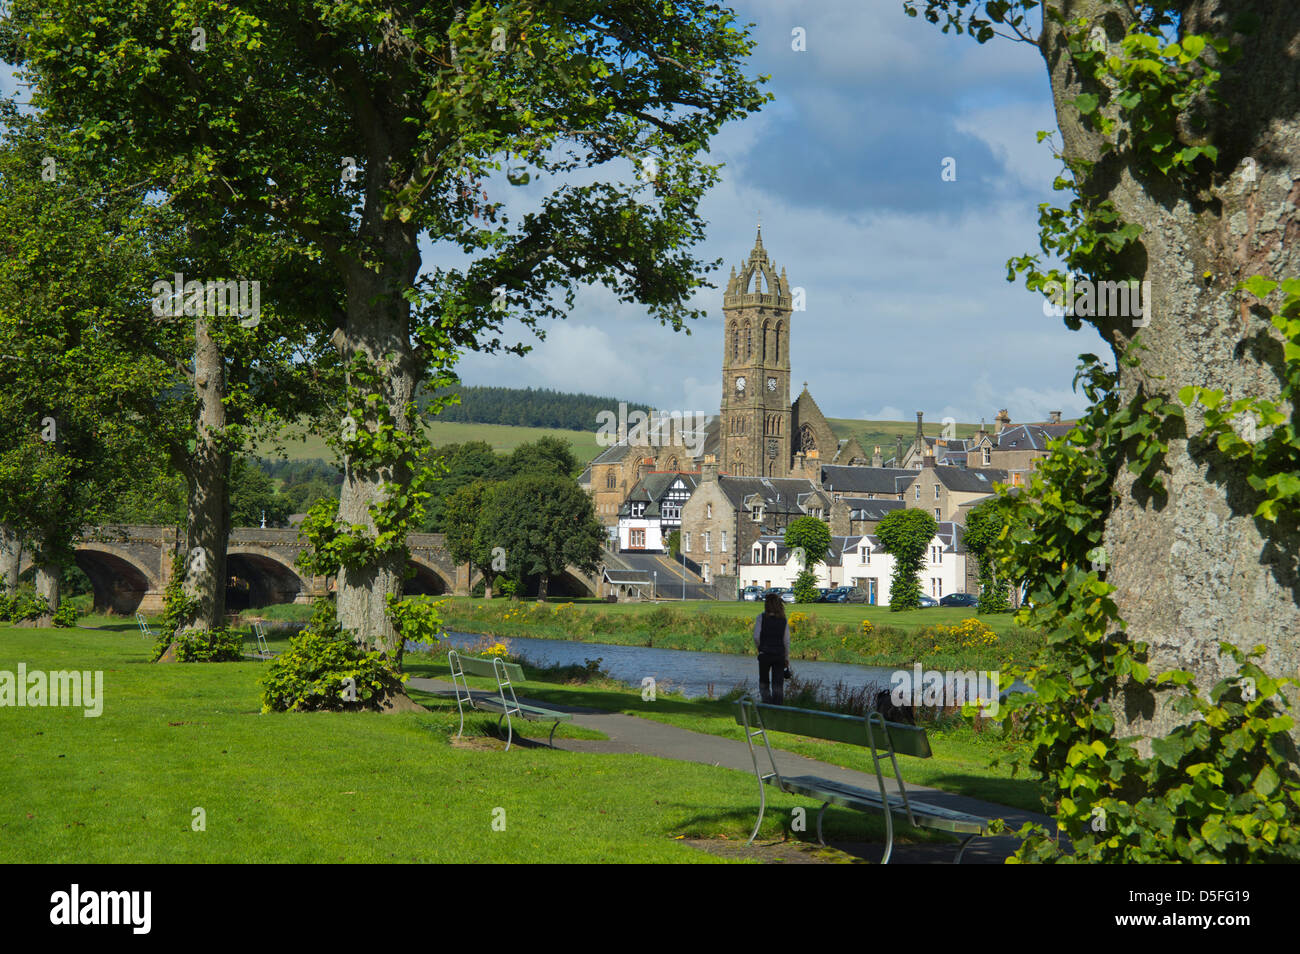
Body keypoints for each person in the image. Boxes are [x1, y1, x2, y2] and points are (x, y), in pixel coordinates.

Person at [753, 594, 791, 704]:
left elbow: (756, 636)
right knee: (778, 683)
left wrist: (760, 648)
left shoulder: (761, 618)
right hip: (779, 655)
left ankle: (766, 703)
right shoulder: (783, 620)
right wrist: (786, 657)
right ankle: (777, 706)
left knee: (764, 681)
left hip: (764, 653)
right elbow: (786, 640)